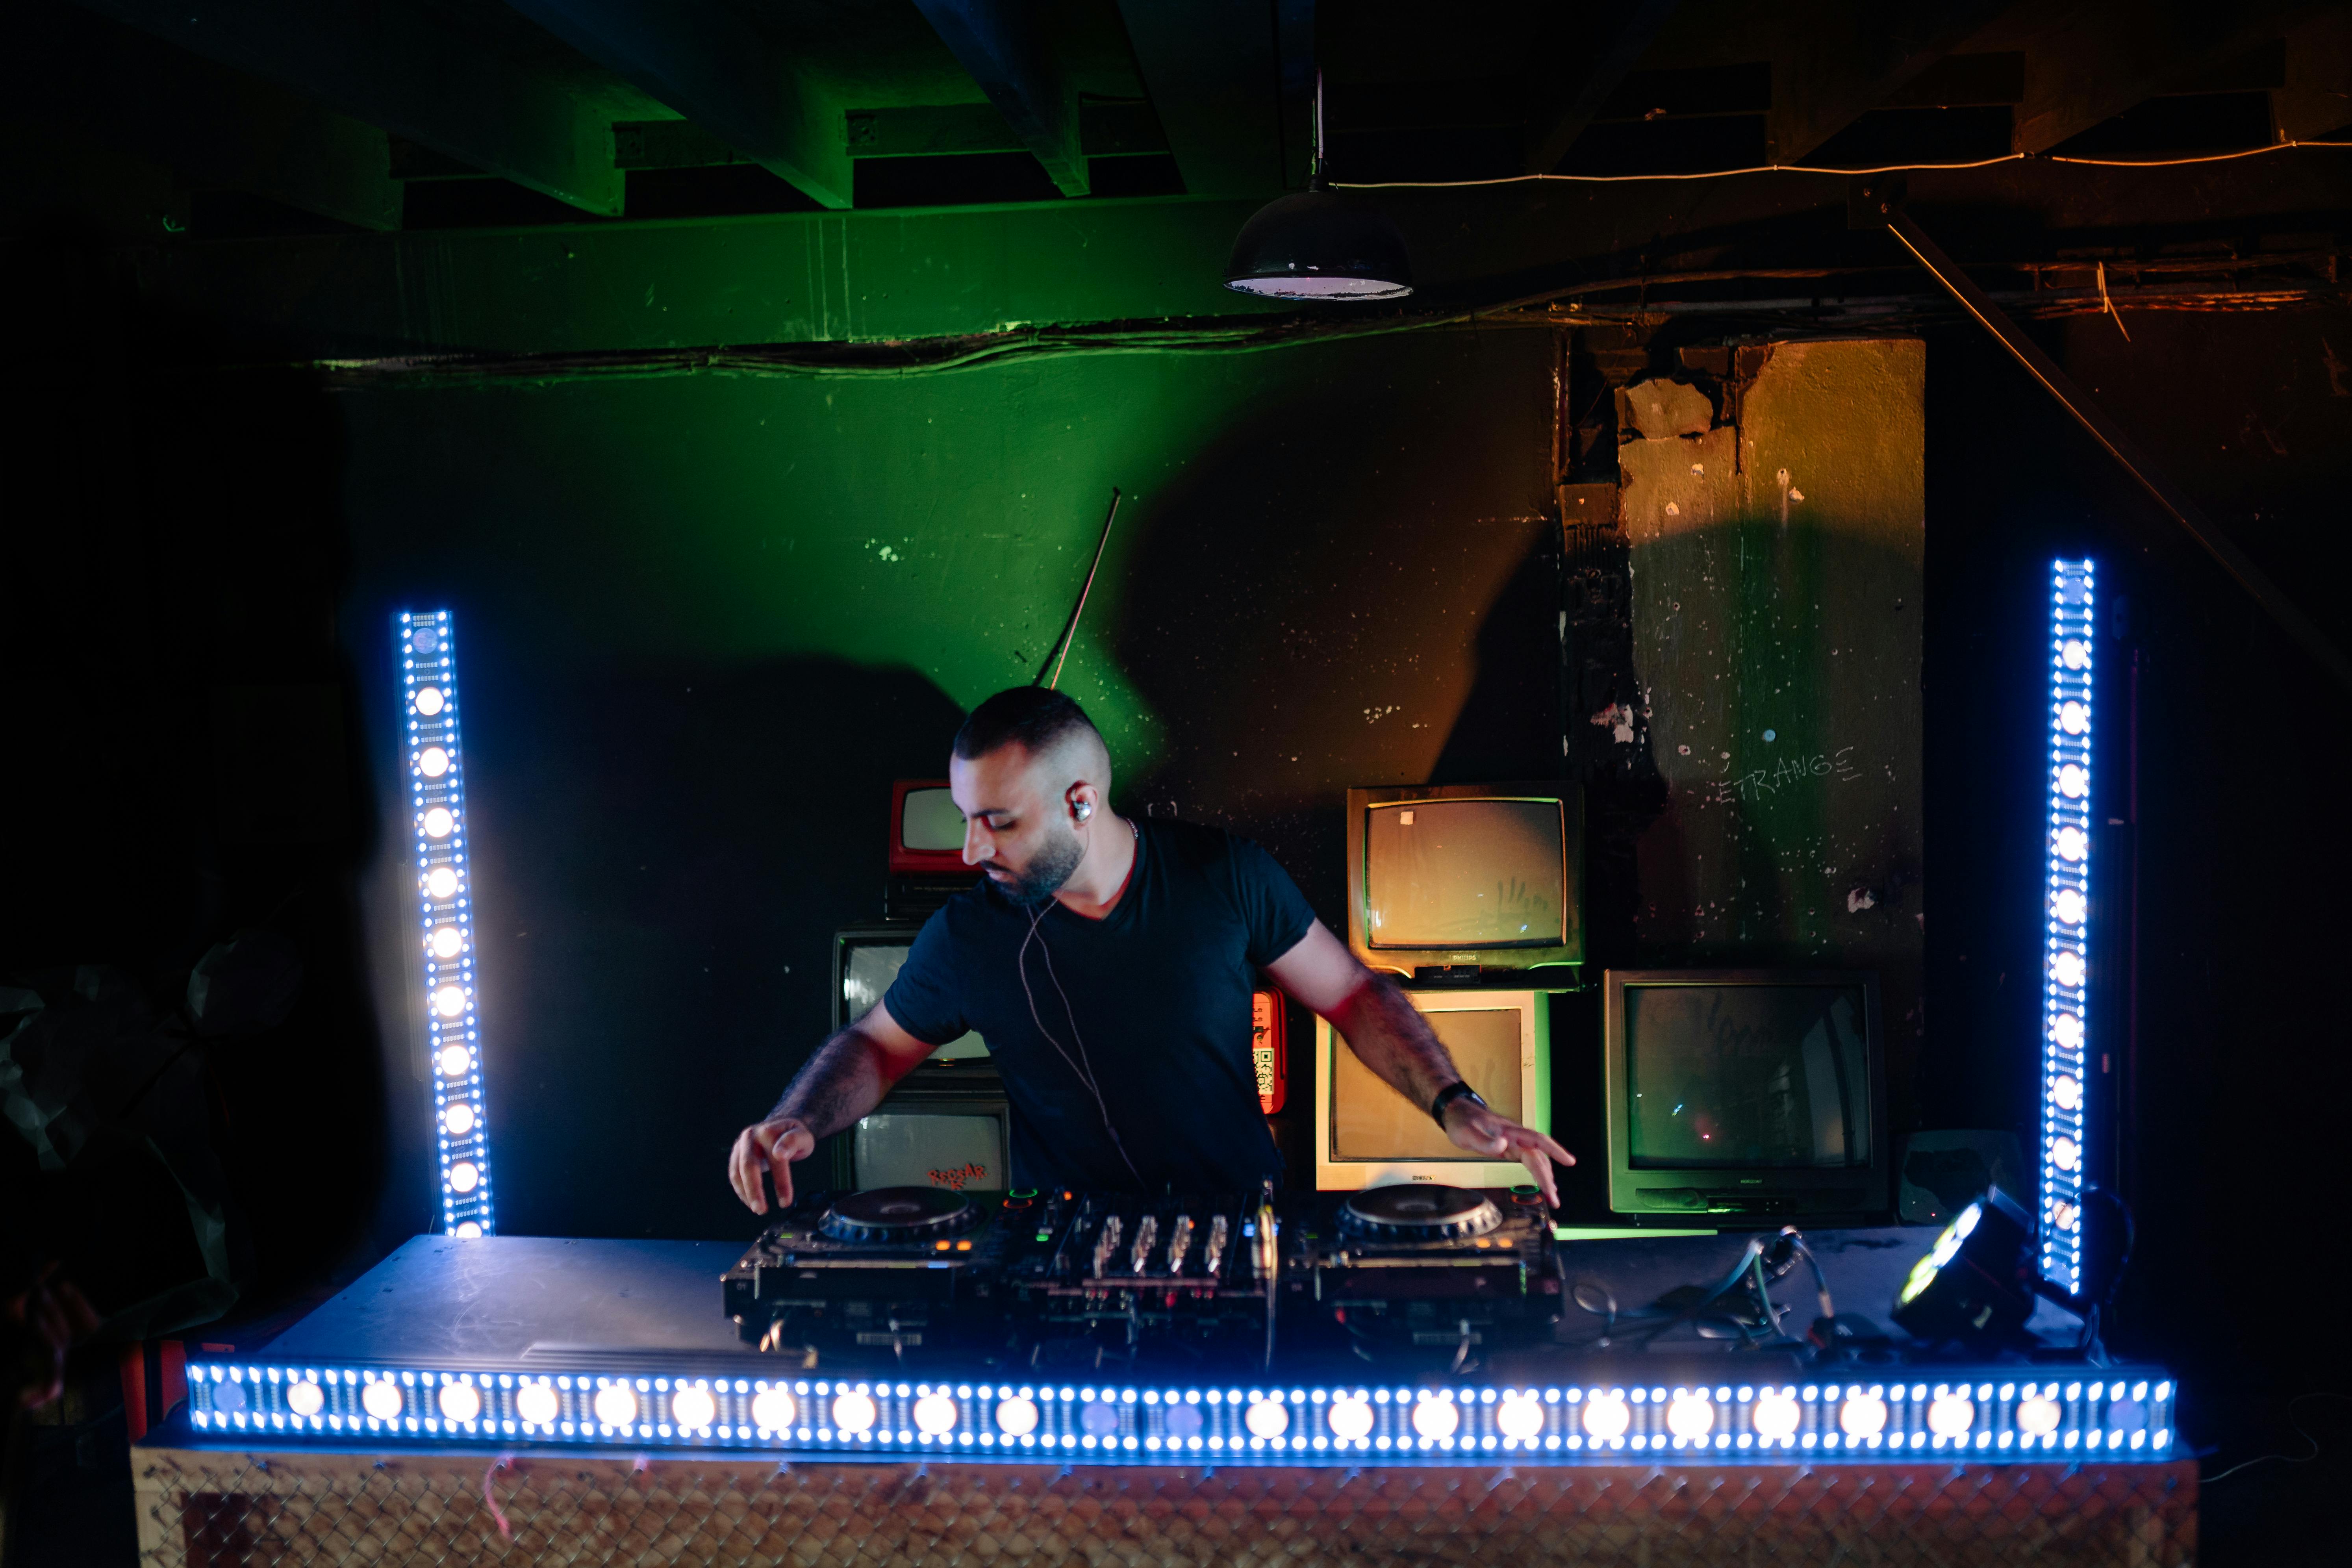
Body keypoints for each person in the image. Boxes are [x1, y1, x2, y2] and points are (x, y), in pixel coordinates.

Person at [728, 687, 1572, 1212]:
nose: (971, 851)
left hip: (1240, 1224)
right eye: (964, 818)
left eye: (999, 821)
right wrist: (796, 1115)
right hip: (1066, 1242)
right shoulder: (968, 934)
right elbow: (876, 1043)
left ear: (1081, 801)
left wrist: (1452, 1099)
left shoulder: (1225, 878)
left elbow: (1350, 993)